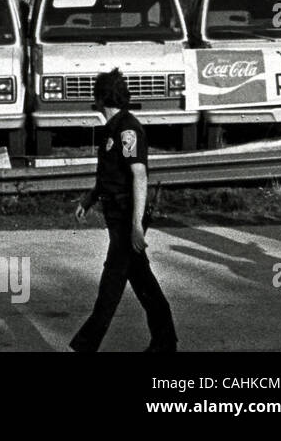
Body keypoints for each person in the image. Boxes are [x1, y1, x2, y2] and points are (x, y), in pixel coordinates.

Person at [71, 68, 178, 353]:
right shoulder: (112, 128)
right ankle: (165, 342)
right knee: (143, 280)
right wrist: (90, 198)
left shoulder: (127, 129)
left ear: (99, 98)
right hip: (116, 214)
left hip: (127, 217)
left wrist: (137, 225)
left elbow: (138, 176)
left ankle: (84, 346)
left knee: (110, 287)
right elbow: (110, 174)